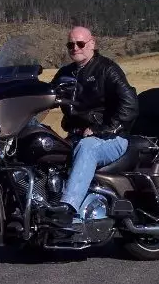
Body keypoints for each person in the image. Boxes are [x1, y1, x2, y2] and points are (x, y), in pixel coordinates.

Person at [48, 26, 139, 226]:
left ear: (92, 44)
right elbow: (45, 96)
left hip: (112, 138)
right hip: (77, 135)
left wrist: (103, 129)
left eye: (80, 43)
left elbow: (130, 104)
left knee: (87, 147)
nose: (75, 48)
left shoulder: (107, 69)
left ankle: (68, 208)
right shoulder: (66, 73)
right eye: (70, 44)